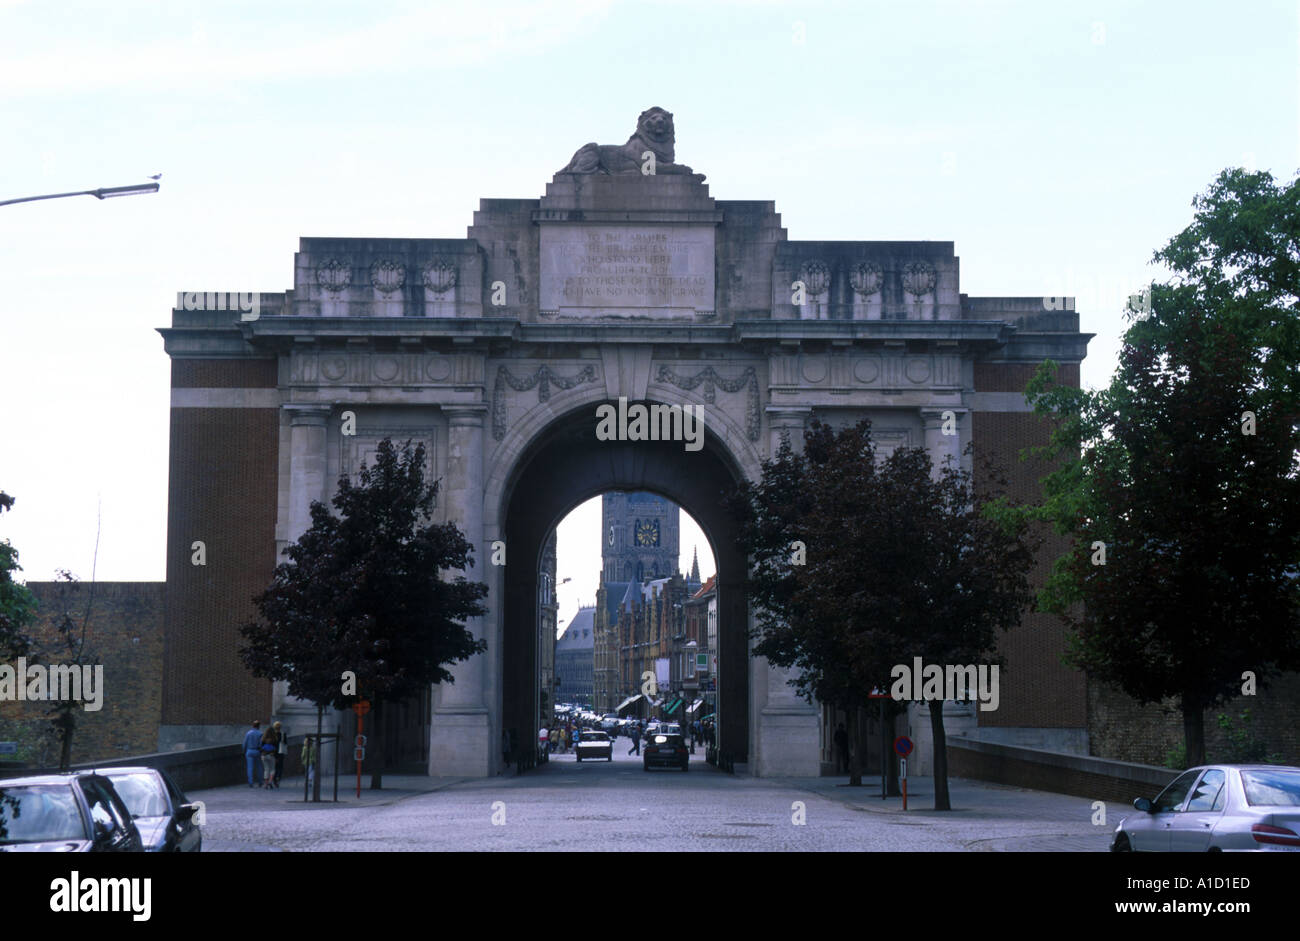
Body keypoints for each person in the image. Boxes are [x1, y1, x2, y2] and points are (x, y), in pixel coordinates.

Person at [242, 720, 264, 787]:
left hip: (249, 751)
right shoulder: (260, 733)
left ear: (253, 725)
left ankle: (250, 782)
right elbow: (261, 744)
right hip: (257, 751)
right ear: (259, 726)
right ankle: (260, 781)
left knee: (250, 767)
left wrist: (244, 751)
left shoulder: (248, 733)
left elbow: (244, 744)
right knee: (259, 767)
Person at [260, 723, 280, 789]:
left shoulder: (263, 739)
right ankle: (270, 782)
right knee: (272, 769)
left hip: (264, 755)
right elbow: (277, 749)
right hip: (272, 755)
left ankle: (265, 783)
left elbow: (261, 747)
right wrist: (277, 757)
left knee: (266, 769)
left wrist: (263, 753)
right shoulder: (275, 739)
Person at [273, 721, 289, 788]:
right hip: (281, 752)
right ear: (280, 727)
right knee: (280, 767)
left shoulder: (272, 734)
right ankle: (278, 778)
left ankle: (274, 779)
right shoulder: (283, 734)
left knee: (274, 767)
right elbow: (285, 743)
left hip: (273, 752)